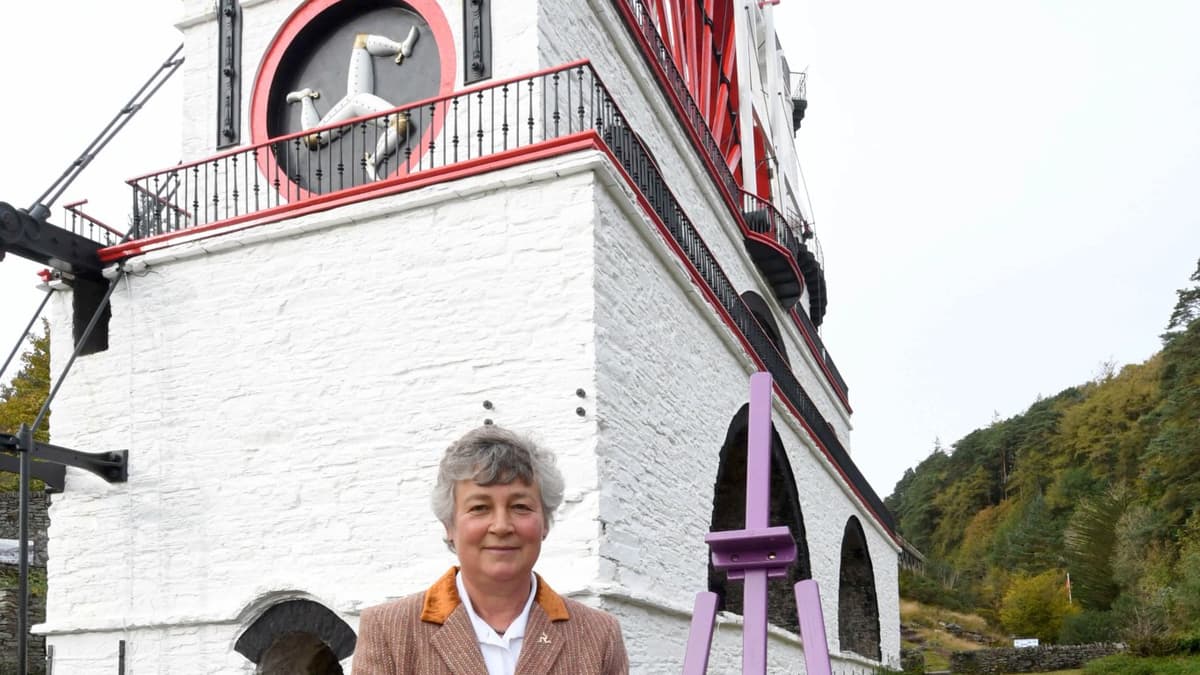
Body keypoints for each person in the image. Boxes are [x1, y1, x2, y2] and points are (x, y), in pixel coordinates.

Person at [352, 425, 629, 674]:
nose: (501, 526)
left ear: (545, 522)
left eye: (520, 506)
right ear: (449, 525)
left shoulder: (598, 635)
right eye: (479, 508)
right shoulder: (389, 630)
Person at [286, 27, 419, 180]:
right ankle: (372, 161)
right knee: (313, 139)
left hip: (357, 96)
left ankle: (400, 47)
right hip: (357, 101)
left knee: (361, 41)